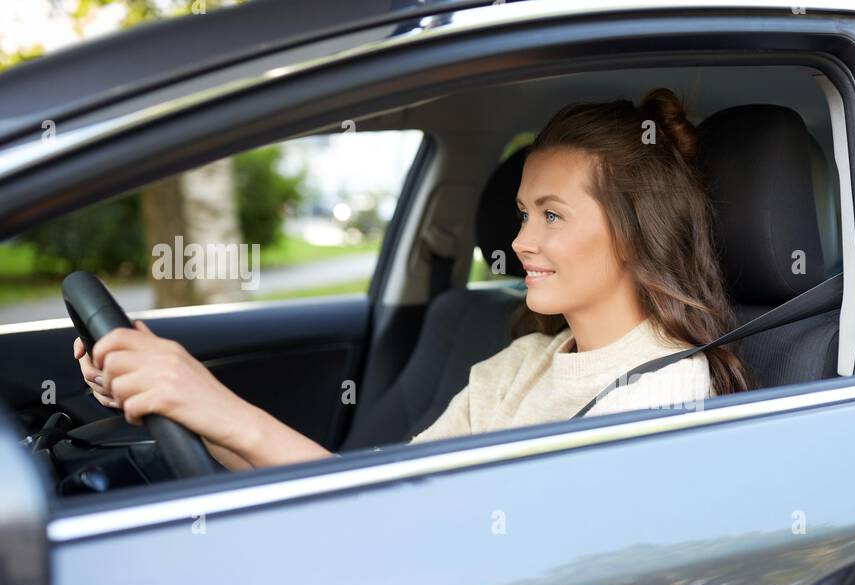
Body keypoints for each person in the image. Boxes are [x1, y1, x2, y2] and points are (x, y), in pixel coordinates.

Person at [73, 87, 752, 470]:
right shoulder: (518, 365)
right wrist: (173, 397)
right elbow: (379, 499)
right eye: (522, 214)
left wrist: (208, 401)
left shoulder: (661, 392)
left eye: (552, 215)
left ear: (636, 233)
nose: (519, 242)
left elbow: (406, 533)